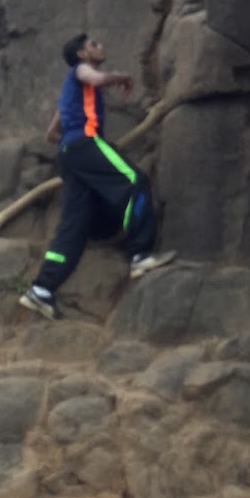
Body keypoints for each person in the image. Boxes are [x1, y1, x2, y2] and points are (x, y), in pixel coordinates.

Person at [19, 34, 175, 320]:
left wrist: (74, 144)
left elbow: (51, 134)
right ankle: (140, 255)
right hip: (84, 145)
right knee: (135, 181)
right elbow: (98, 79)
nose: (100, 45)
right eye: (93, 44)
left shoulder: (71, 92)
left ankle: (41, 289)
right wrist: (123, 77)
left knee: (74, 226)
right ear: (81, 54)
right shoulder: (80, 71)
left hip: (70, 154)